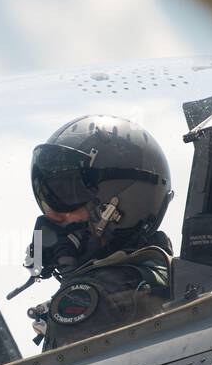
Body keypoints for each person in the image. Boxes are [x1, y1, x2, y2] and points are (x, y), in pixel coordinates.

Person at [18, 115, 174, 350]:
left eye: (66, 195)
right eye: (47, 196)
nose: (51, 215)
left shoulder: (94, 299)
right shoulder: (160, 274)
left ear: (121, 206)